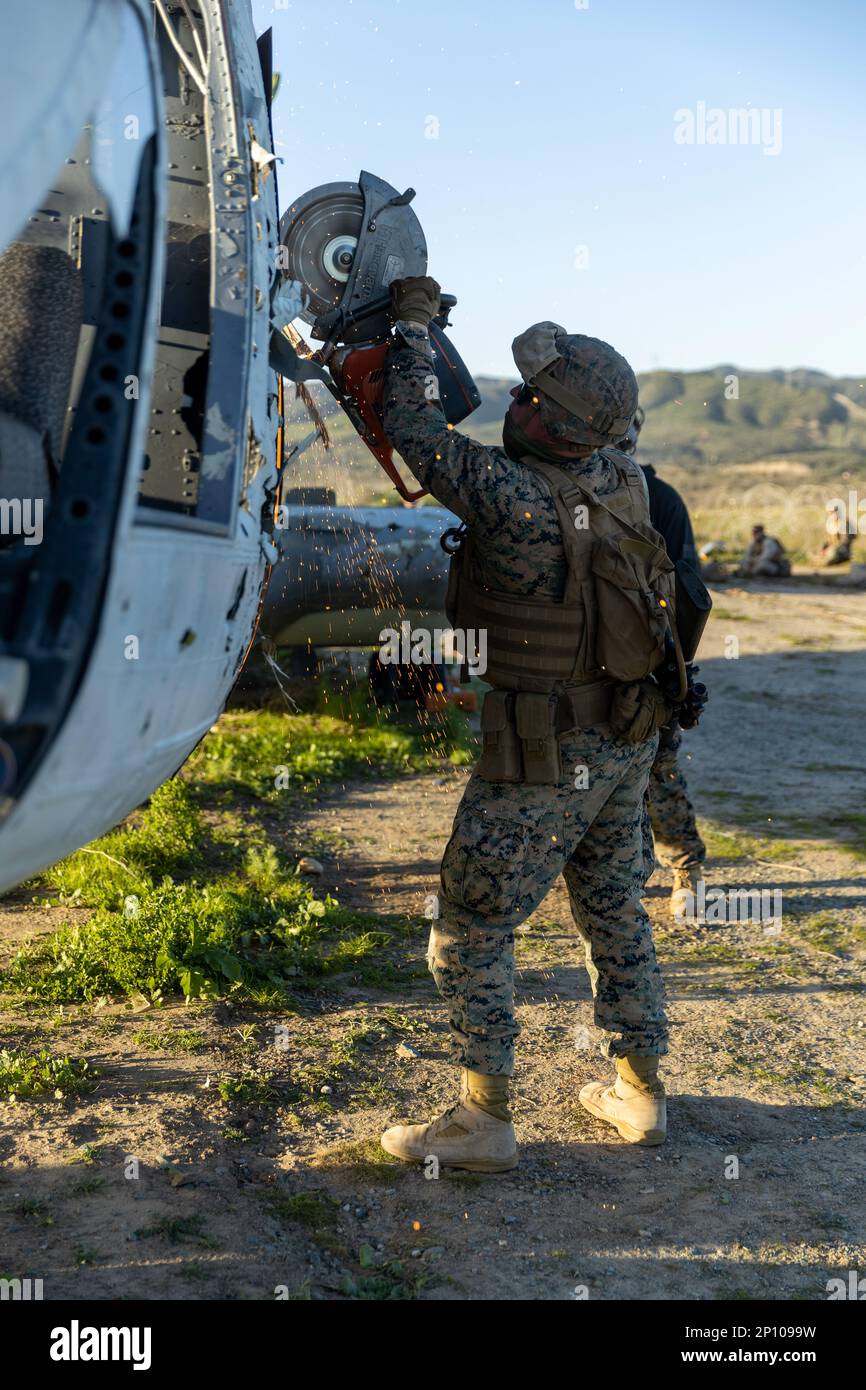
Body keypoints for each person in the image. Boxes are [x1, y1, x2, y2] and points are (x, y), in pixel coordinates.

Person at [376, 279, 680, 1170]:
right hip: (624, 737)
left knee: (472, 923)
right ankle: (641, 1092)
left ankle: (484, 1120)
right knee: (615, 906)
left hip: (542, 749)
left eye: (532, 396)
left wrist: (412, 329)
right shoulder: (624, 480)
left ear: (557, 425)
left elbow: (413, 426)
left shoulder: (506, 496)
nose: (515, 400)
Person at [616, 410, 707, 916]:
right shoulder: (562, 491)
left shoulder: (660, 500)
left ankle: (685, 868)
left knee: (659, 771)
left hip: (644, 663)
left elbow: (687, 591)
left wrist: (675, 671)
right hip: (578, 663)